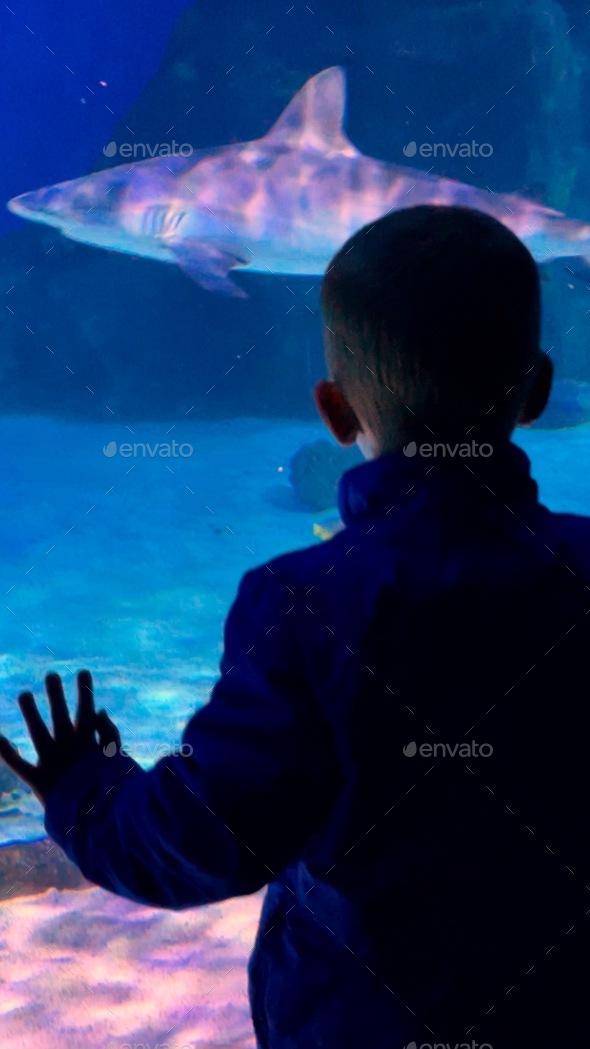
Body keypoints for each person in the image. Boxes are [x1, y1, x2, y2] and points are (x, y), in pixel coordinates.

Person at [1, 205, 590, 1049]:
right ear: (536, 390)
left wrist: (87, 793)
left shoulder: (302, 604)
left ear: (335, 411)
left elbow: (213, 834)